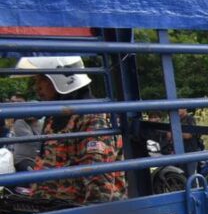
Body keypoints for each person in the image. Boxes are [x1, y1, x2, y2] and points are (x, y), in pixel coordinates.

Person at [14, 56, 125, 203]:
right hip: (51, 209)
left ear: (62, 78)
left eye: (43, 79)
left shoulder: (93, 117)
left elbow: (98, 182)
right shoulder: (56, 115)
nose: (37, 86)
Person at [5, 93, 41, 171]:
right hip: (22, 159)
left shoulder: (38, 123)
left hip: (35, 158)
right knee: (31, 172)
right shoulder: (19, 122)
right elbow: (35, 141)